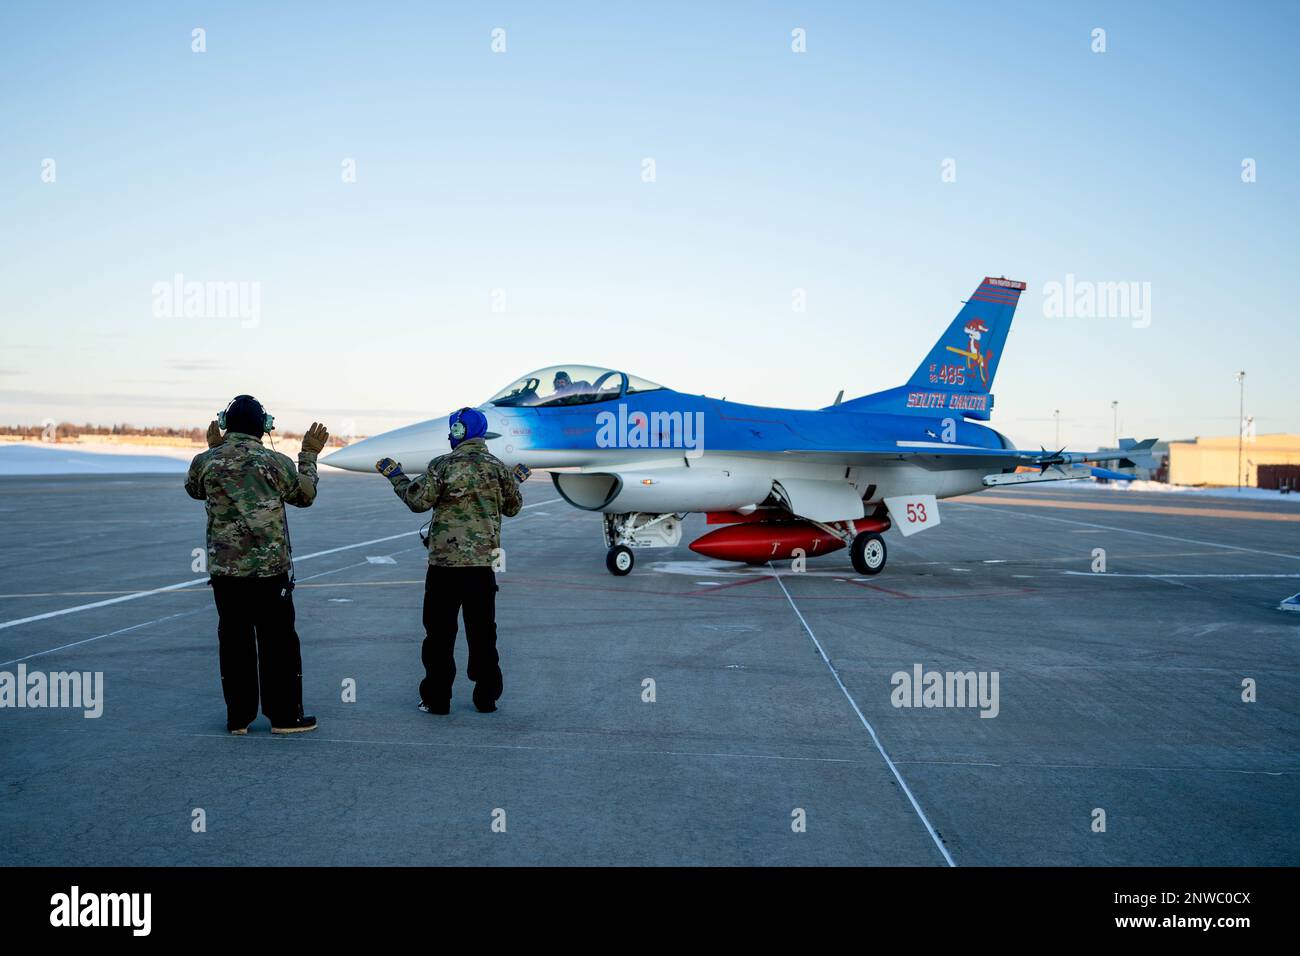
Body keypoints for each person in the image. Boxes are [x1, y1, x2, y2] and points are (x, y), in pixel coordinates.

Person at [184, 395, 329, 735]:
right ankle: (284, 716)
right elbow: (305, 496)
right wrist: (308, 456)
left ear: (225, 424)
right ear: (263, 427)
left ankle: (239, 717)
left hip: (226, 573)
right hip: (269, 573)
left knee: (234, 642)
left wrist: (213, 451)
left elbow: (195, 491)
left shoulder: (206, 461)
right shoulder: (275, 462)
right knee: (278, 643)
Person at [375, 407, 529, 714]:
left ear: (457, 433)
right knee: (483, 634)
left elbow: (418, 502)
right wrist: (514, 480)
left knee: (439, 636)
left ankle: (437, 699)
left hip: (444, 568)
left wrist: (396, 476)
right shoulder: (498, 468)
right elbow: (512, 508)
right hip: (483, 568)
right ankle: (486, 699)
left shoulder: (442, 465)